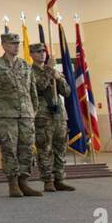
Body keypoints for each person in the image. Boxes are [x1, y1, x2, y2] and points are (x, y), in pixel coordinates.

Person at [0, 32, 40, 198]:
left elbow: (32, 90)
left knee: (27, 149)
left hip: (26, 114)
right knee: (10, 149)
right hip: (5, 115)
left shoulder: (25, 65)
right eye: (12, 43)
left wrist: (33, 111)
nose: (16, 46)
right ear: (3, 45)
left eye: (17, 43)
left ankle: (24, 182)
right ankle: (13, 184)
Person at [30, 42, 76, 192]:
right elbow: (39, 87)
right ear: (31, 54)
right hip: (43, 116)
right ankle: (48, 180)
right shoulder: (30, 73)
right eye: (37, 52)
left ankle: (59, 179)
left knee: (60, 149)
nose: (42, 54)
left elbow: (67, 92)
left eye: (43, 51)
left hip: (59, 115)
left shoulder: (53, 71)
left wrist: (58, 77)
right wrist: (49, 69)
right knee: (44, 149)